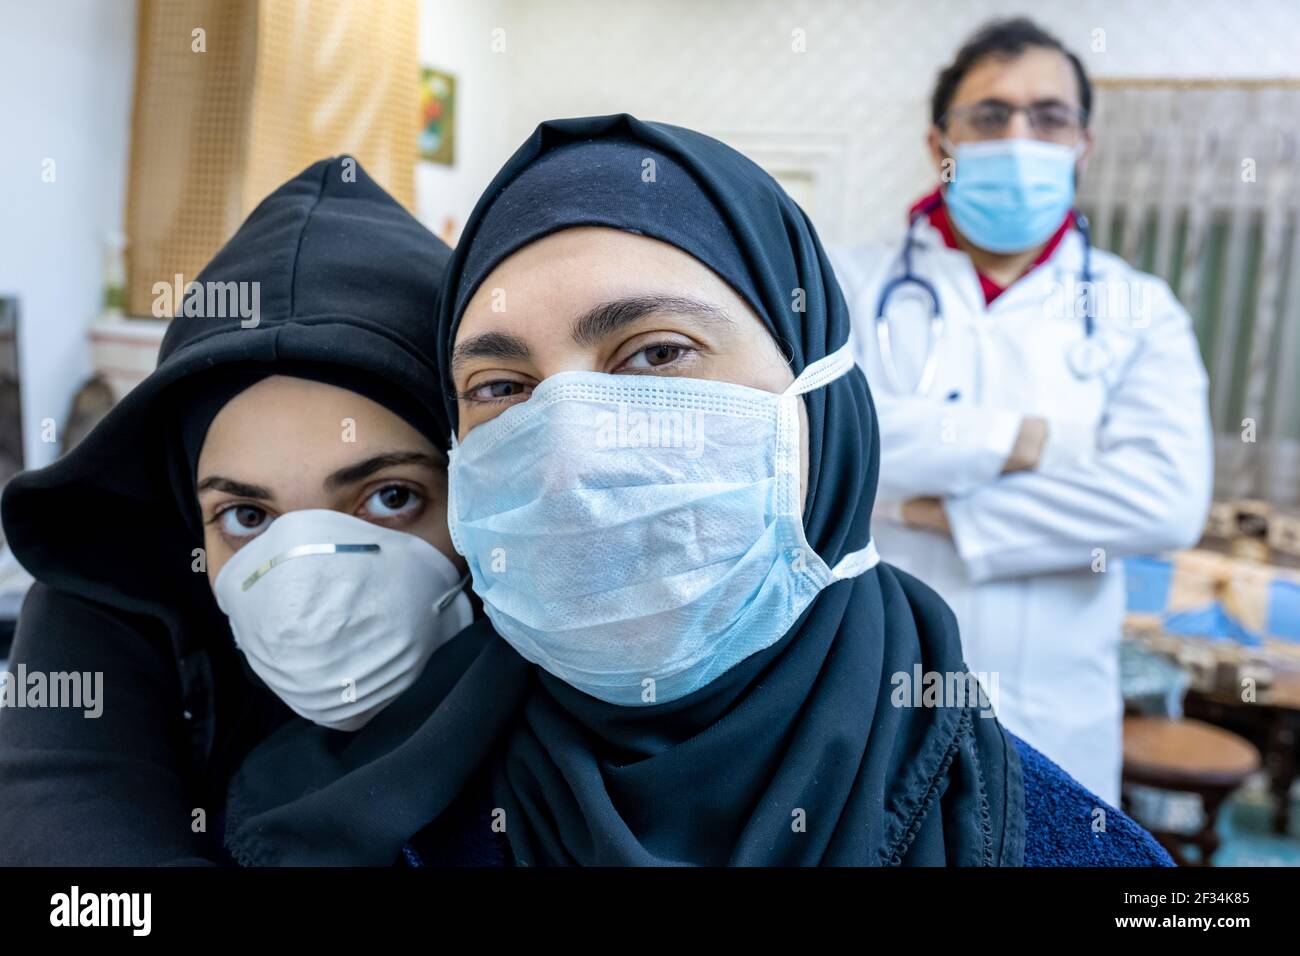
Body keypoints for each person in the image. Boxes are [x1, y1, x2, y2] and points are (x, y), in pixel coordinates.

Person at [218, 114, 1173, 867]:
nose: (570, 457)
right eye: (501, 389)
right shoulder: (376, 818)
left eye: (655, 353)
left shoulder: (1057, 847)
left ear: (820, 399)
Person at [0, 157, 476, 864]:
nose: (315, 583)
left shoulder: (557, 634)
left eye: (390, 497)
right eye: (248, 516)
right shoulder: (108, 603)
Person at [828, 19, 1213, 803]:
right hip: (878, 695)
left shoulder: (1139, 307)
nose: (1020, 135)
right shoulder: (849, 284)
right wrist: (1033, 439)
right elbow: (833, 439)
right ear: (941, 142)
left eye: (1049, 116)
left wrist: (942, 512)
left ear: (1083, 144)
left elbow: (1164, 500)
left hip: (1054, 712)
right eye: (990, 115)